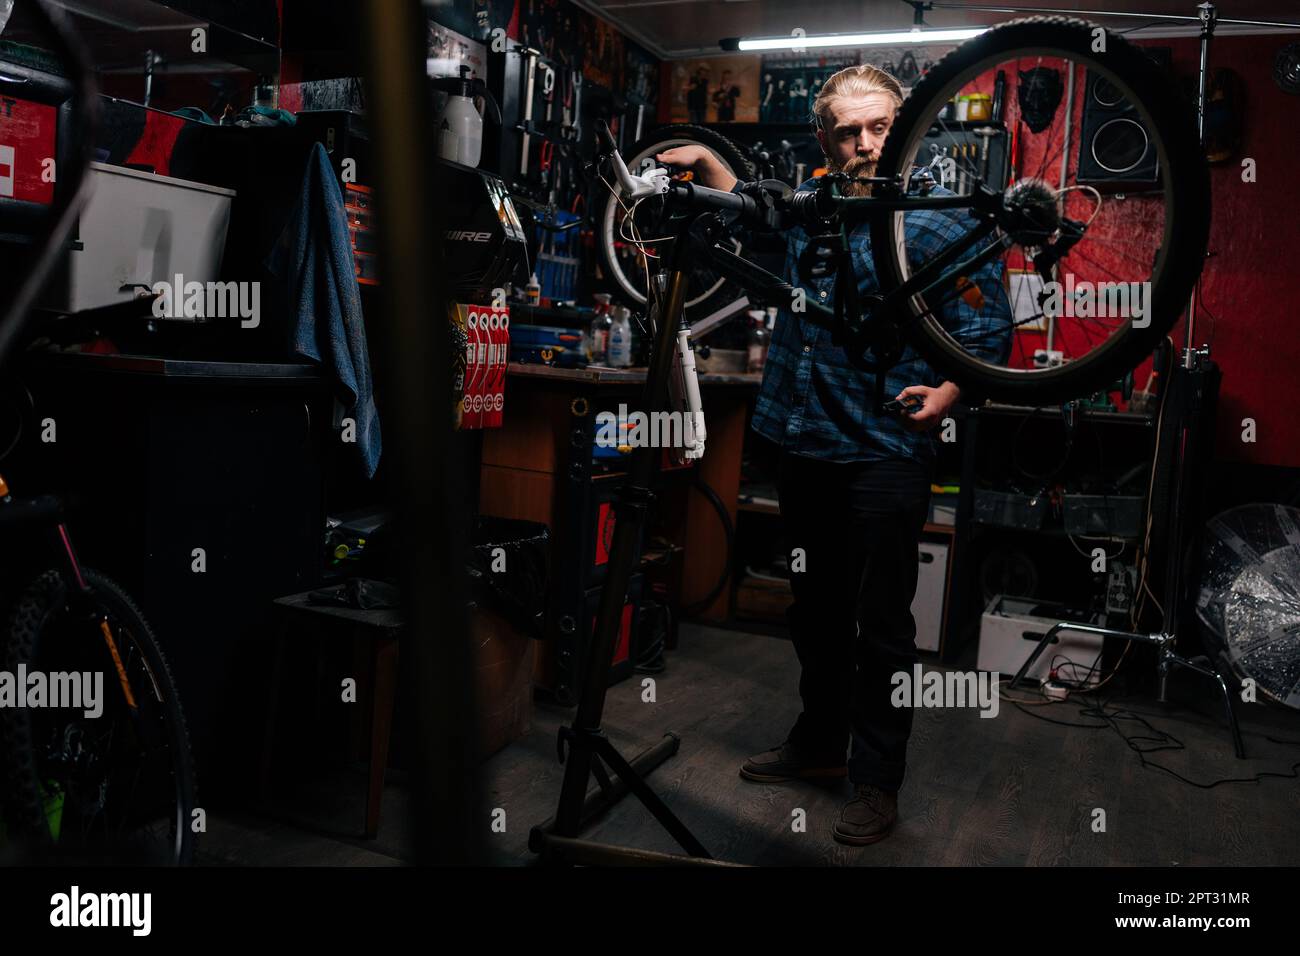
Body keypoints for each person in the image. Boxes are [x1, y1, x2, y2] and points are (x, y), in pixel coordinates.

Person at [656, 64, 1011, 846]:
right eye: (847, 131)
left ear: (906, 126)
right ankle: (819, 745)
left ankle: (877, 781)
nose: (864, 143)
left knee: (882, 624)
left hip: (886, 449)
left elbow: (990, 339)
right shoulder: (812, 208)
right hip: (803, 439)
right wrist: (712, 171)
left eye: (879, 126)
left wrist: (949, 395)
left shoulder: (943, 218)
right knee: (814, 609)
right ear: (824, 139)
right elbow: (756, 214)